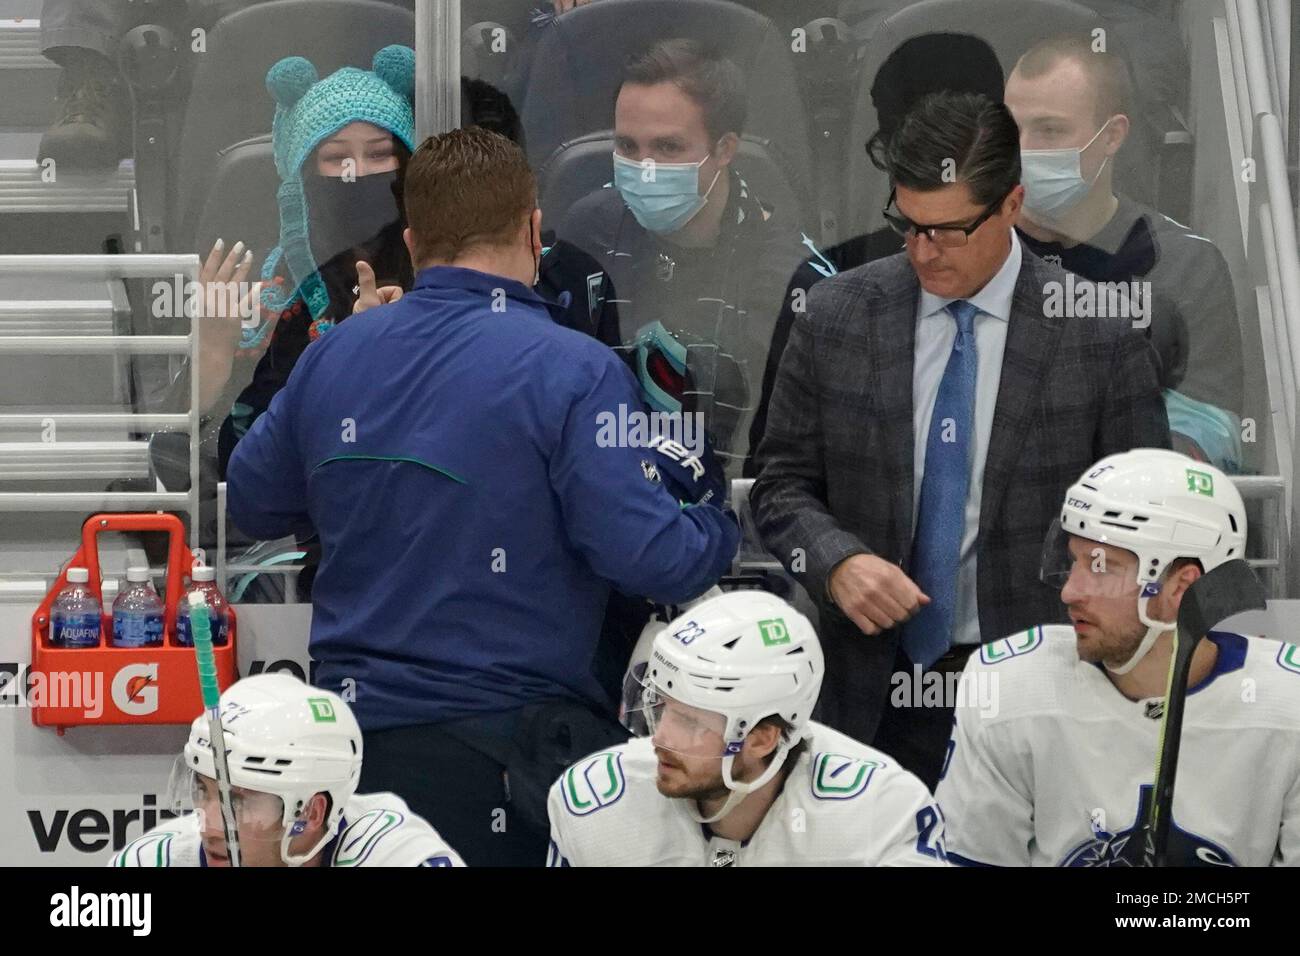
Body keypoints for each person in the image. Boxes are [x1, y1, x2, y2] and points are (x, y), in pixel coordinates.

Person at [225, 125, 740, 866]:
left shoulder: (336, 352)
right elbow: (650, 557)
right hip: (508, 757)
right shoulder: (577, 370)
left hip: (350, 760)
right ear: (535, 232)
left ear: (411, 239)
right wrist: (712, 519)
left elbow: (253, 500)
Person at [750, 90, 1171, 792]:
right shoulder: (834, 315)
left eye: (947, 230)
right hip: (866, 695)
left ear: (1011, 204)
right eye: (907, 225)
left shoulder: (1098, 336)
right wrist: (837, 562)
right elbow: (779, 483)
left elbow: (1144, 518)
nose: (922, 251)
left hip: (1044, 688)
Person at [935, 449, 1300, 866]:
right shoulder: (1008, 686)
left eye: (1102, 566)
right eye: (1074, 561)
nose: (1070, 591)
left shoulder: (1288, 704)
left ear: (1182, 587)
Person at [554, 38, 835, 479]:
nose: (643, 168)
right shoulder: (586, 232)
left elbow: (802, 462)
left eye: (667, 148)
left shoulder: (794, 281)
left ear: (724, 149)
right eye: (627, 146)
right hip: (600, 497)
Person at [546, 590, 949, 866]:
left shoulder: (879, 814)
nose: (661, 737)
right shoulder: (596, 800)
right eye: (663, 708)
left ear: (761, 739)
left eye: (690, 721)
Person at [1006, 34, 1246, 471]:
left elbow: (1210, 434)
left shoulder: (1185, 263)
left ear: (1112, 136)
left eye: (1050, 130)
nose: (1022, 150)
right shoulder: (965, 251)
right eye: (1011, 128)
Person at [108, 674, 464, 867]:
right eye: (203, 790)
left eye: (238, 802)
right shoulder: (155, 860)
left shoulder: (396, 857)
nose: (210, 826)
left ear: (311, 812)